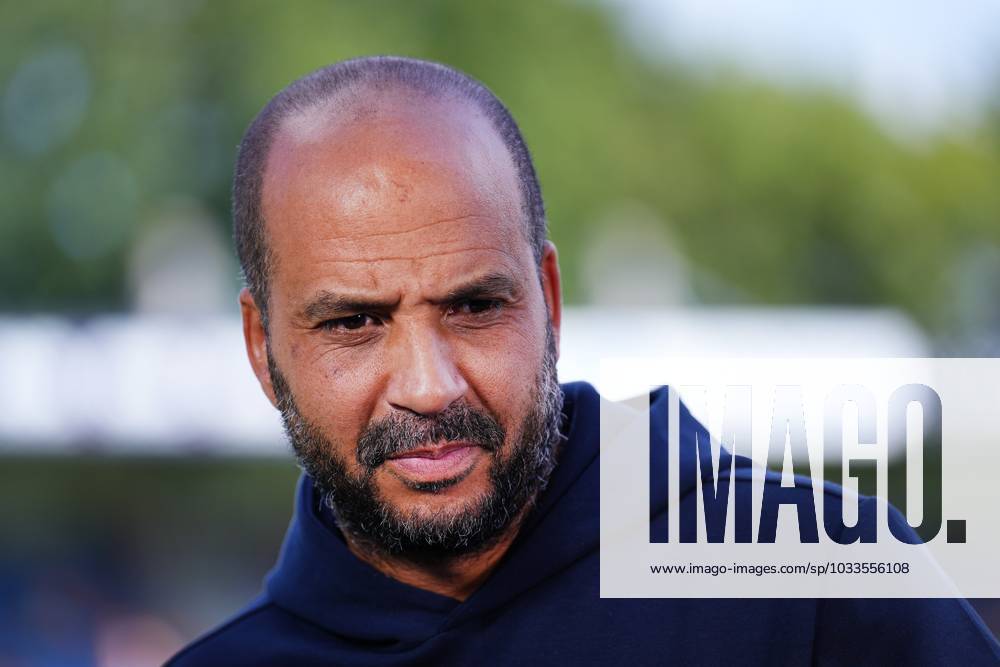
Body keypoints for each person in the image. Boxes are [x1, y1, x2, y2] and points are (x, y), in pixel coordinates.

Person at [167, 56, 1000, 666]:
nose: (428, 384)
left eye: (474, 306)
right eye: (353, 322)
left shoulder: (818, 576)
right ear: (262, 348)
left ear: (550, 300)